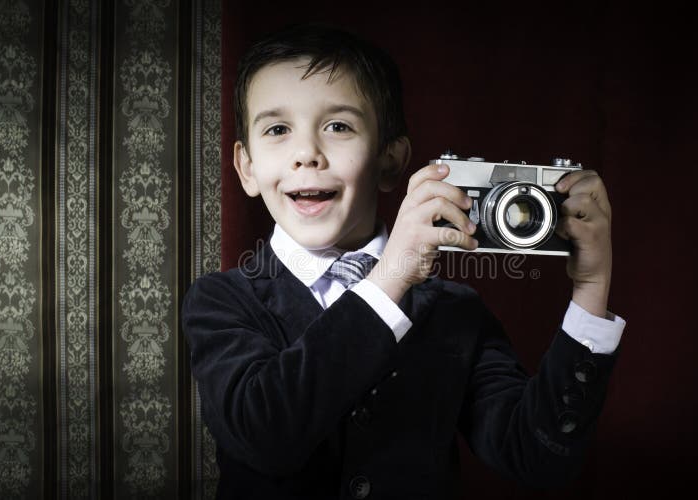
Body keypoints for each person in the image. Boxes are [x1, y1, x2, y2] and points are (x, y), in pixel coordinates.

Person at [181, 23, 626, 500]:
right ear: (246, 167)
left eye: (338, 126)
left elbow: (534, 458)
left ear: (391, 161)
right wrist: (390, 277)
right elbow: (265, 436)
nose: (306, 154)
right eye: (277, 129)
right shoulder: (219, 301)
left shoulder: (455, 310)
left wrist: (591, 286)